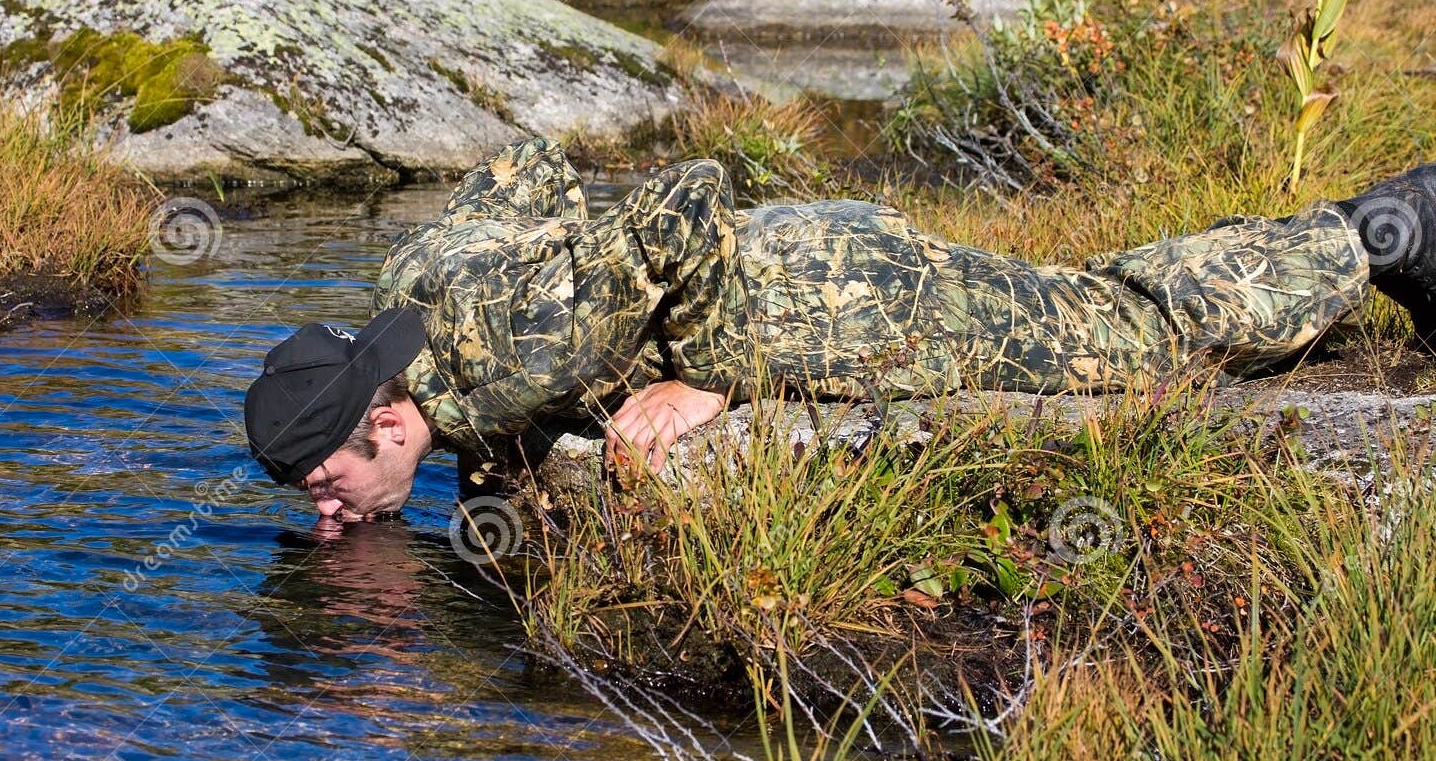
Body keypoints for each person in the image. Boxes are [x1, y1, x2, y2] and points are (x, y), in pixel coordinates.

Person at [244, 136, 1436, 522]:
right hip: (805, 250)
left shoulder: (501, 357)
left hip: (847, 308)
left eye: (326, 475)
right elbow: (527, 167)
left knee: (1141, 340)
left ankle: (1379, 228)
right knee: (1084, 294)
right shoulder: (407, 295)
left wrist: (704, 382)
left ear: (386, 417)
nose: (324, 503)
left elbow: (685, 195)